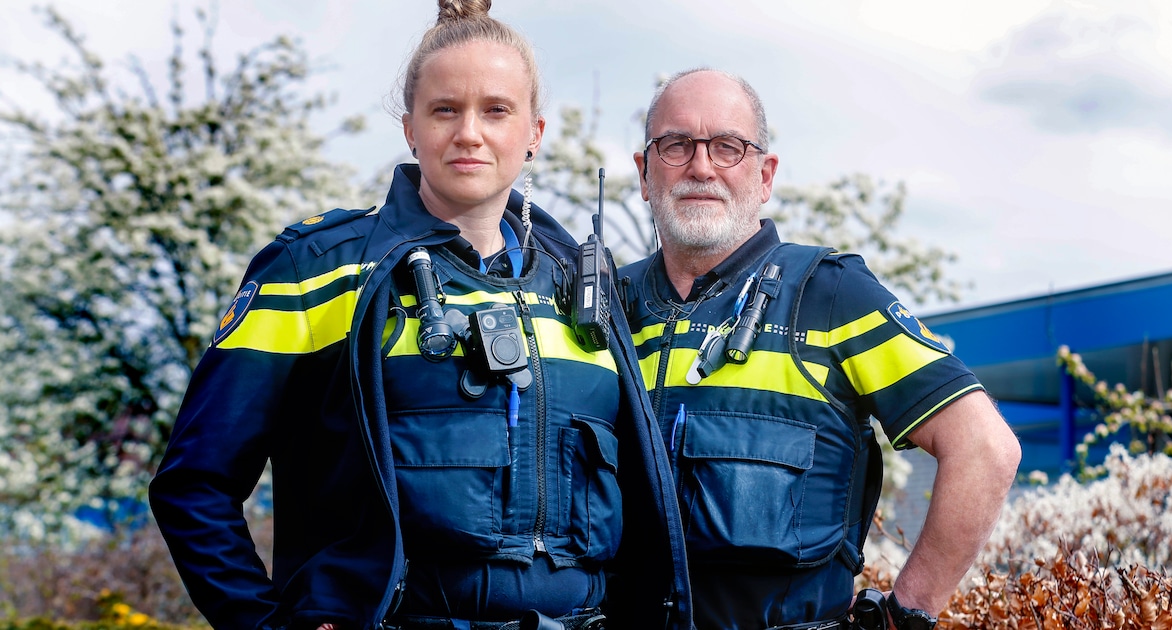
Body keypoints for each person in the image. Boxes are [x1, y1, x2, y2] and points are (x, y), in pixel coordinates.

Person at [148, 2, 691, 629]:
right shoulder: (314, 271)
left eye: (496, 110)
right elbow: (194, 486)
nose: (469, 133)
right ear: (410, 128)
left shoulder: (587, 294)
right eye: (444, 110)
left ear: (534, 132)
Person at [618, 68, 1022, 630]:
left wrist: (904, 616)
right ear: (644, 172)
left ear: (765, 175)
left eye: (728, 147)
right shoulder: (604, 308)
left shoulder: (832, 296)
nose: (701, 167)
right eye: (676, 146)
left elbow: (984, 449)